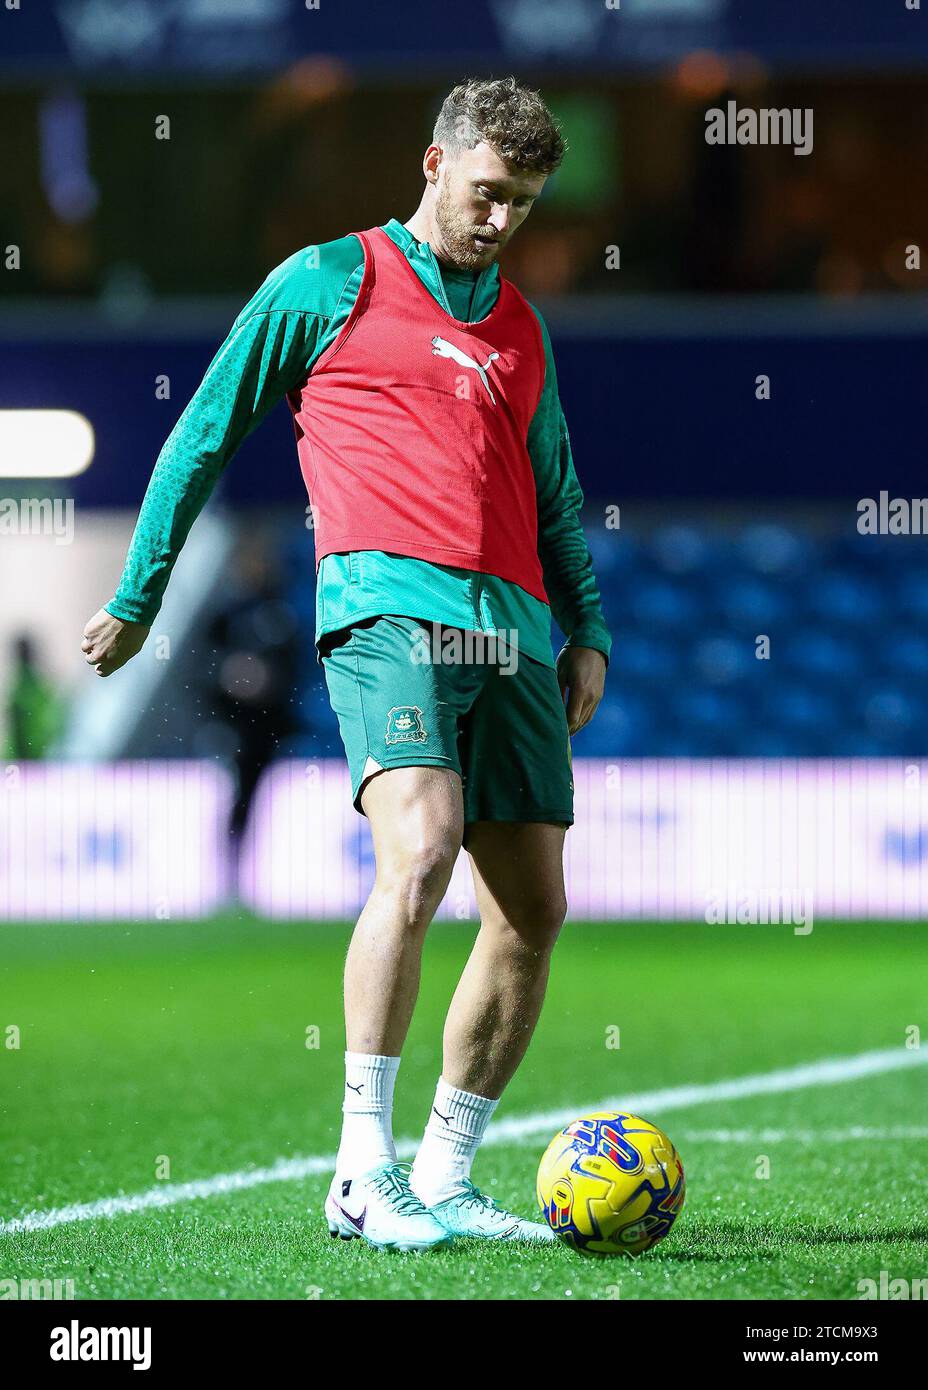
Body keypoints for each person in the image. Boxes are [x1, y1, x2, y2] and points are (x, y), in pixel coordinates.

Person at [81, 76, 611, 1252]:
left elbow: (558, 495)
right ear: (432, 166)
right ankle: (362, 1169)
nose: (499, 221)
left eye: (520, 203)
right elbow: (203, 430)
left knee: (532, 909)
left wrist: (586, 631)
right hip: (385, 610)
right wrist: (137, 596)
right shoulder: (327, 280)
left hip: (513, 631)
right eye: (485, 194)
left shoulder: (519, 325)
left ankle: (447, 1171)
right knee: (419, 849)